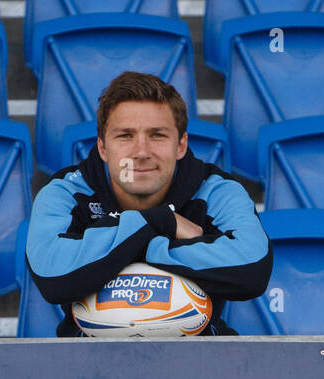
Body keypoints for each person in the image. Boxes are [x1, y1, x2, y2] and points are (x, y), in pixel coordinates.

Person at [26, 71, 272, 336]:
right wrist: (158, 222)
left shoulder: (217, 190)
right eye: (125, 136)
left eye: (157, 135)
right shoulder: (66, 191)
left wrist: (131, 246)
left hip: (200, 359)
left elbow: (252, 268)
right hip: (87, 361)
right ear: (103, 148)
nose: (141, 152)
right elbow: (51, 274)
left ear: (181, 145)